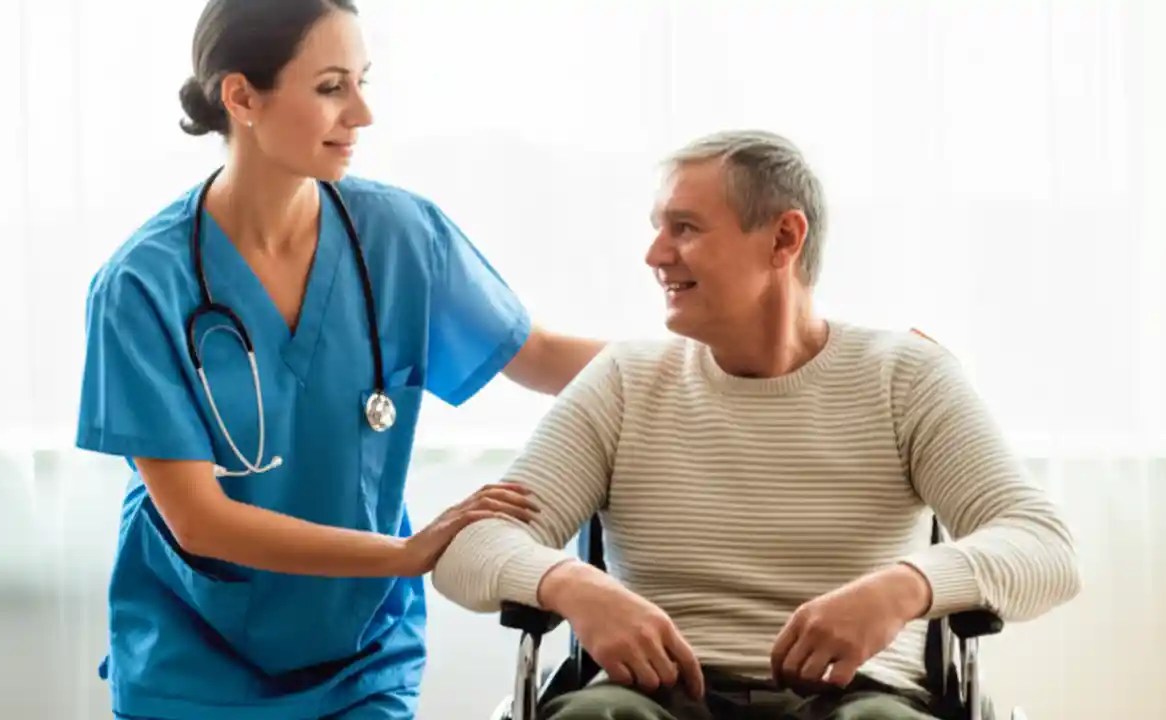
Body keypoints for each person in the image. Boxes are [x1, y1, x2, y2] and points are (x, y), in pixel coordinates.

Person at [432, 130, 1082, 720]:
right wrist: (573, 584)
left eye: (684, 228)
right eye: (659, 228)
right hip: (649, 697)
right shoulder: (623, 381)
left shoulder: (905, 378)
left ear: (783, 239)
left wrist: (904, 587)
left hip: (861, 698)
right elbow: (469, 545)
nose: (655, 254)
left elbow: (1044, 546)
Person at [74, 1, 604, 718]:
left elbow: (536, 356)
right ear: (241, 98)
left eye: (362, 81)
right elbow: (198, 520)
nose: (362, 113)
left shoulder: (401, 236)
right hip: (190, 654)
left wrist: (705, 359)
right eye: (331, 87)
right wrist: (407, 554)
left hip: (360, 652)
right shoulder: (142, 285)